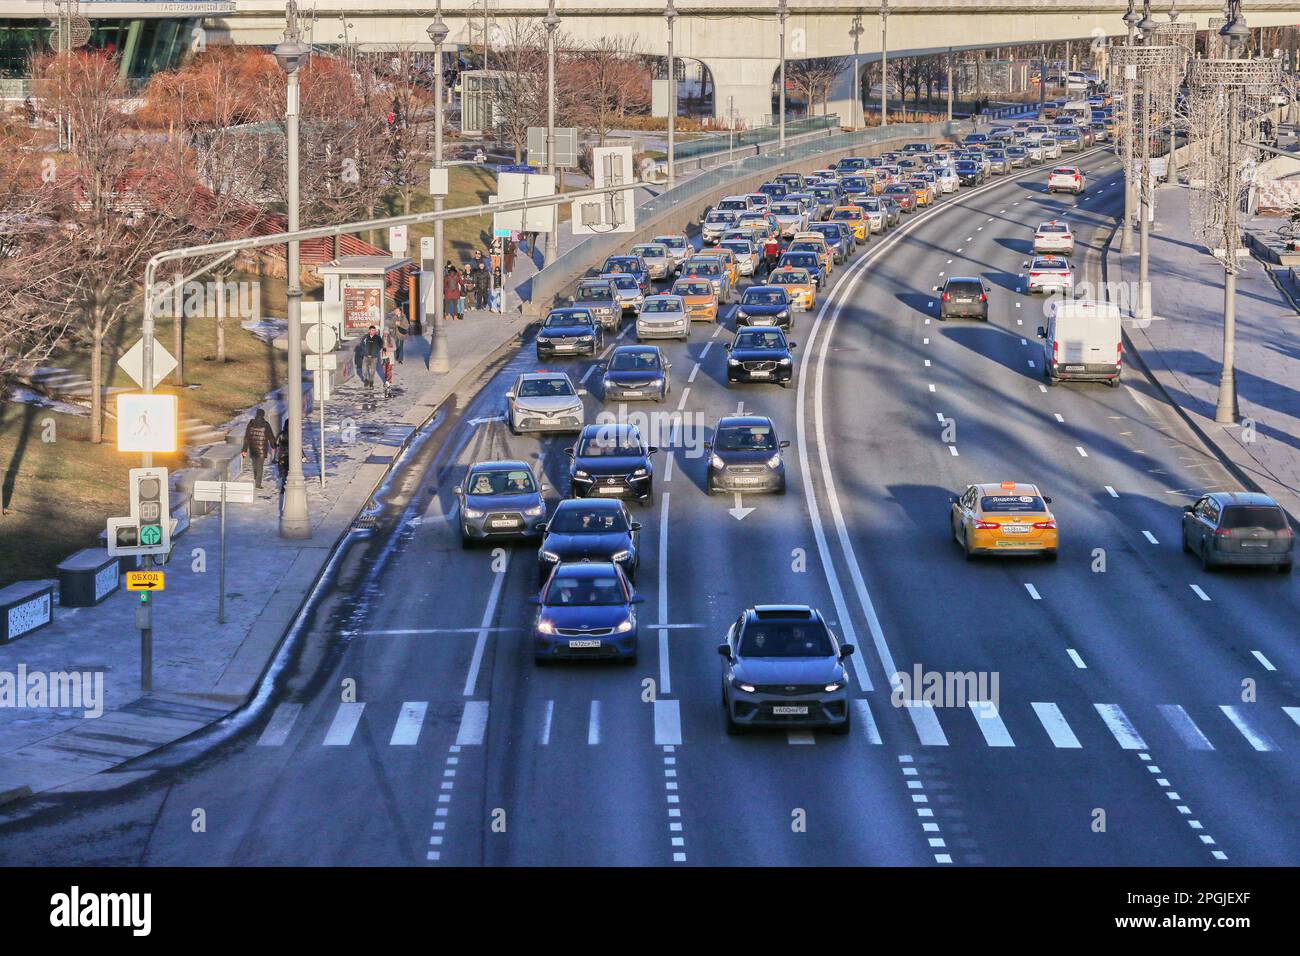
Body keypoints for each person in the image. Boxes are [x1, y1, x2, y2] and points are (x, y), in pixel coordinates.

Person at [242, 408, 277, 490]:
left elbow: (246, 437)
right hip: (262, 449)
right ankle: (258, 483)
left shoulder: (251, 424)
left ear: (256, 415)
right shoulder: (266, 425)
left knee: (255, 464)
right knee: (260, 466)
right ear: (263, 415)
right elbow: (271, 437)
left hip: (253, 448)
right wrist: (274, 446)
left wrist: (244, 449)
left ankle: (255, 477)